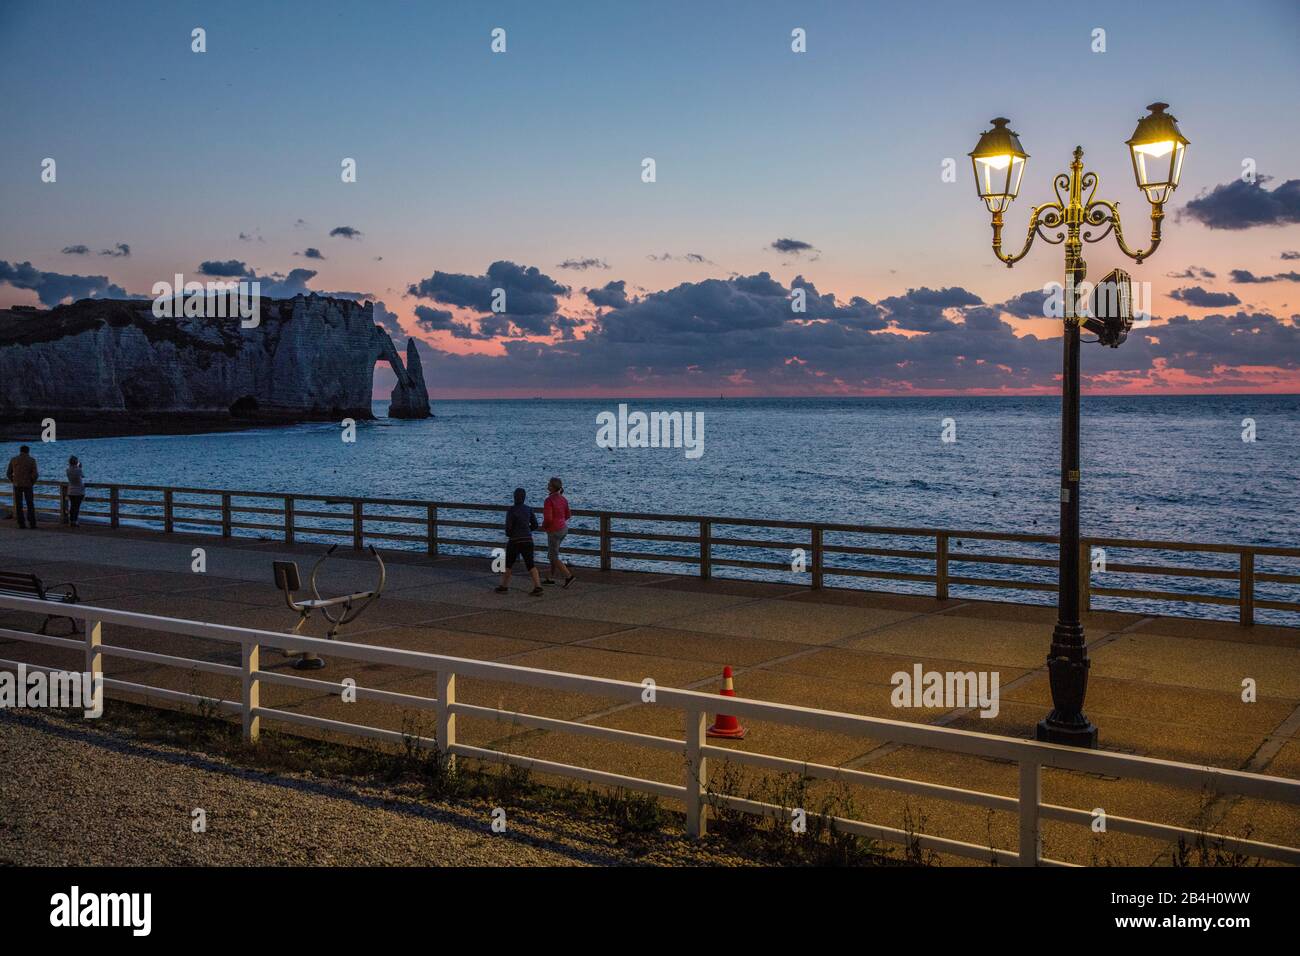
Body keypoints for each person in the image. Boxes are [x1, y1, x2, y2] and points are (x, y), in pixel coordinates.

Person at [495, 487, 543, 596]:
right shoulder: (529, 509)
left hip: (515, 541)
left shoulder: (511, 510)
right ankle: (538, 586)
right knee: (530, 564)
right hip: (527, 540)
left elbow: (508, 529)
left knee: (508, 564)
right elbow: (535, 525)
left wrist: (513, 534)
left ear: (514, 497)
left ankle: (504, 586)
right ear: (524, 498)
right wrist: (526, 530)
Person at [542, 476, 576, 588]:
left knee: (553, 556)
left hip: (554, 531)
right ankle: (550, 577)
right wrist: (560, 522)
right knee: (553, 553)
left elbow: (548, 519)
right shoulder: (563, 499)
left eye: (549, 484)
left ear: (552, 487)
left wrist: (544, 526)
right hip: (563, 529)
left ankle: (568, 576)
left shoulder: (549, 500)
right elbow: (568, 515)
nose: (547, 485)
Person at [5, 445, 38, 529]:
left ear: (20, 451)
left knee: (18, 504)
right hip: (28, 484)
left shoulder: (14, 459)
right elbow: (35, 474)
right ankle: (32, 523)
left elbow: (8, 473)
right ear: (28, 451)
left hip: (17, 484)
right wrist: (32, 482)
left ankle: (21, 523)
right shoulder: (31, 460)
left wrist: (13, 480)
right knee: (30, 504)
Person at [66, 455, 85, 527]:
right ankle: (75, 521)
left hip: (71, 490)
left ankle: (71, 520)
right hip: (79, 491)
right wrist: (80, 467)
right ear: (76, 462)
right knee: (76, 507)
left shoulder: (67, 470)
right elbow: (82, 476)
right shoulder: (79, 470)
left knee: (72, 506)